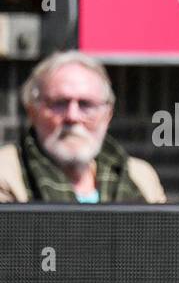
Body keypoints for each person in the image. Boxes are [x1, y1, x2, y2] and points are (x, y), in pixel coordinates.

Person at [0, 51, 164, 203]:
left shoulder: (140, 177)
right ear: (32, 111)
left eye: (86, 105)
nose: (73, 116)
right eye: (59, 103)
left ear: (107, 115)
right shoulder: (6, 173)